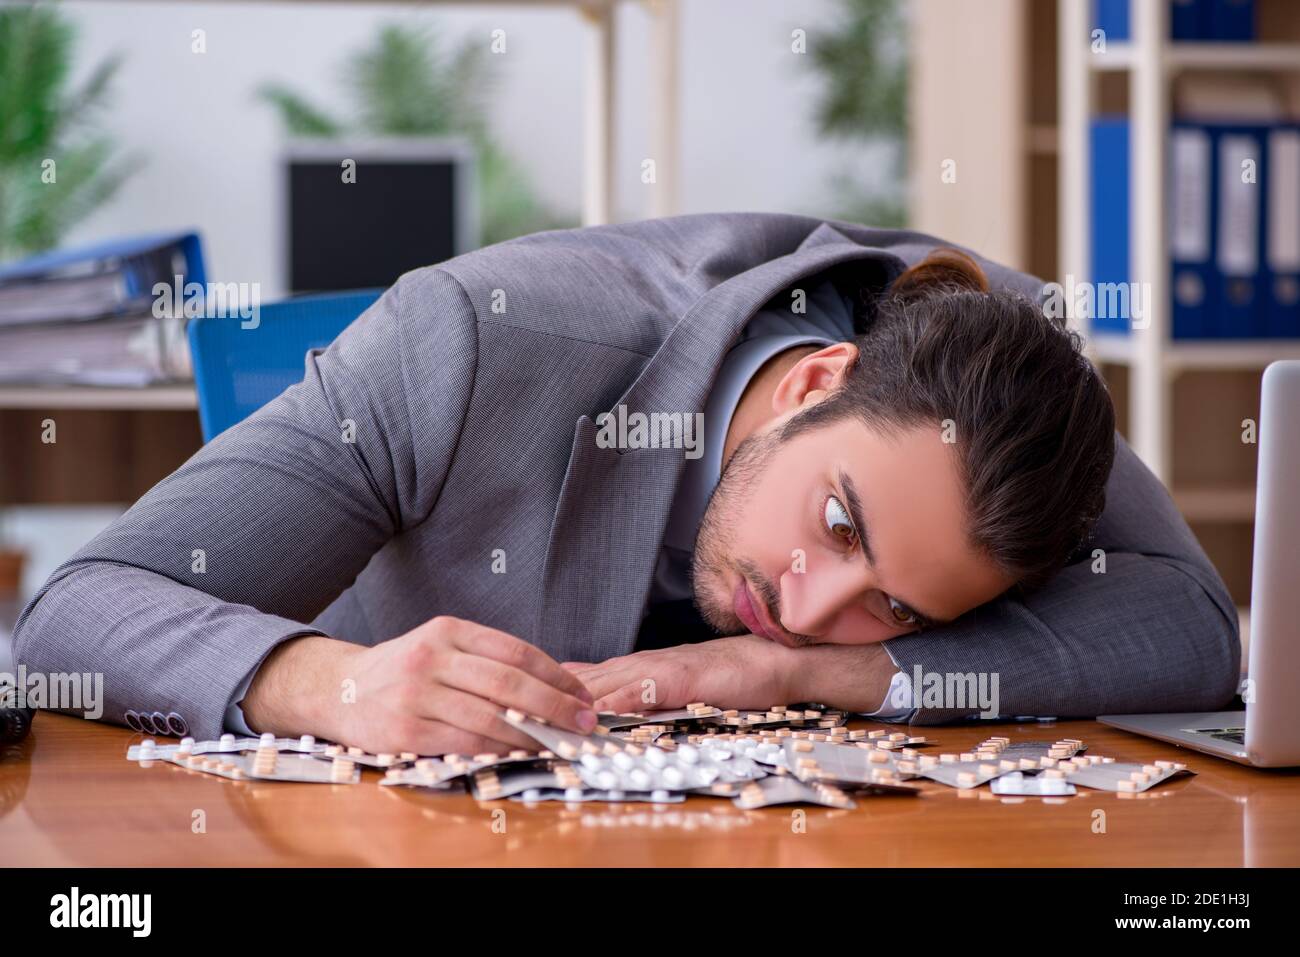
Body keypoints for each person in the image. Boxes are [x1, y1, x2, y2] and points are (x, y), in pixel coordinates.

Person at [13, 214, 1240, 754]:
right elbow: (75, 611)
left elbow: (1189, 631)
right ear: (819, 381)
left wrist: (808, 673)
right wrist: (329, 683)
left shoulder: (1010, 396)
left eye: (896, 607)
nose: (810, 605)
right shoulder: (471, 346)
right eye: (835, 523)